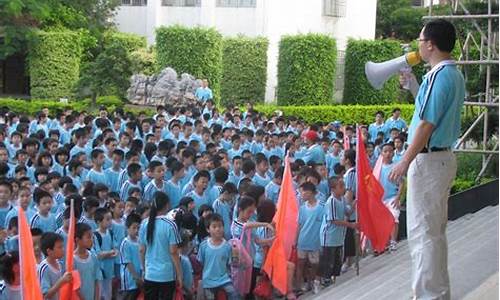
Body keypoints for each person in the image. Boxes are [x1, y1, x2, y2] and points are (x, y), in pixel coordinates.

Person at [391, 19, 465, 300]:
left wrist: (404, 161)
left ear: (431, 44)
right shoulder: (452, 74)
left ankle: (426, 295)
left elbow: (425, 125)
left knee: (422, 236)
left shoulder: (438, 76)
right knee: (434, 235)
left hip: (428, 162)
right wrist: (413, 85)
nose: (419, 45)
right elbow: (431, 110)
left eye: (421, 41)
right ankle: (436, 292)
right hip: (441, 160)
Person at [139, 191, 182, 299]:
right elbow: (174, 252)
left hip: (150, 273)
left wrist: (144, 270)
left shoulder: (144, 223)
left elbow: (141, 250)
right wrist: (179, 274)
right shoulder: (170, 225)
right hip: (166, 275)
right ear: (167, 205)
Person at [197, 213, 239, 300]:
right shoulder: (203, 246)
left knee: (234, 294)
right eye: (214, 226)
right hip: (208, 281)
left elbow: (232, 264)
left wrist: (235, 256)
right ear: (208, 229)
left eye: (220, 226)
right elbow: (201, 261)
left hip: (224, 279)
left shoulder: (227, 246)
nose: (218, 229)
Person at [38, 232, 72, 300]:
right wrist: (61, 281)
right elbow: (45, 295)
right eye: (59, 247)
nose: (63, 249)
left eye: (62, 246)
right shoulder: (44, 268)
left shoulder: (60, 264)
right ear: (49, 251)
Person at [74, 222, 102, 300]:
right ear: (78, 240)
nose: (92, 240)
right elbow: (76, 287)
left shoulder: (93, 256)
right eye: (88, 237)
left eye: (92, 237)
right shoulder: (73, 260)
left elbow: (97, 280)